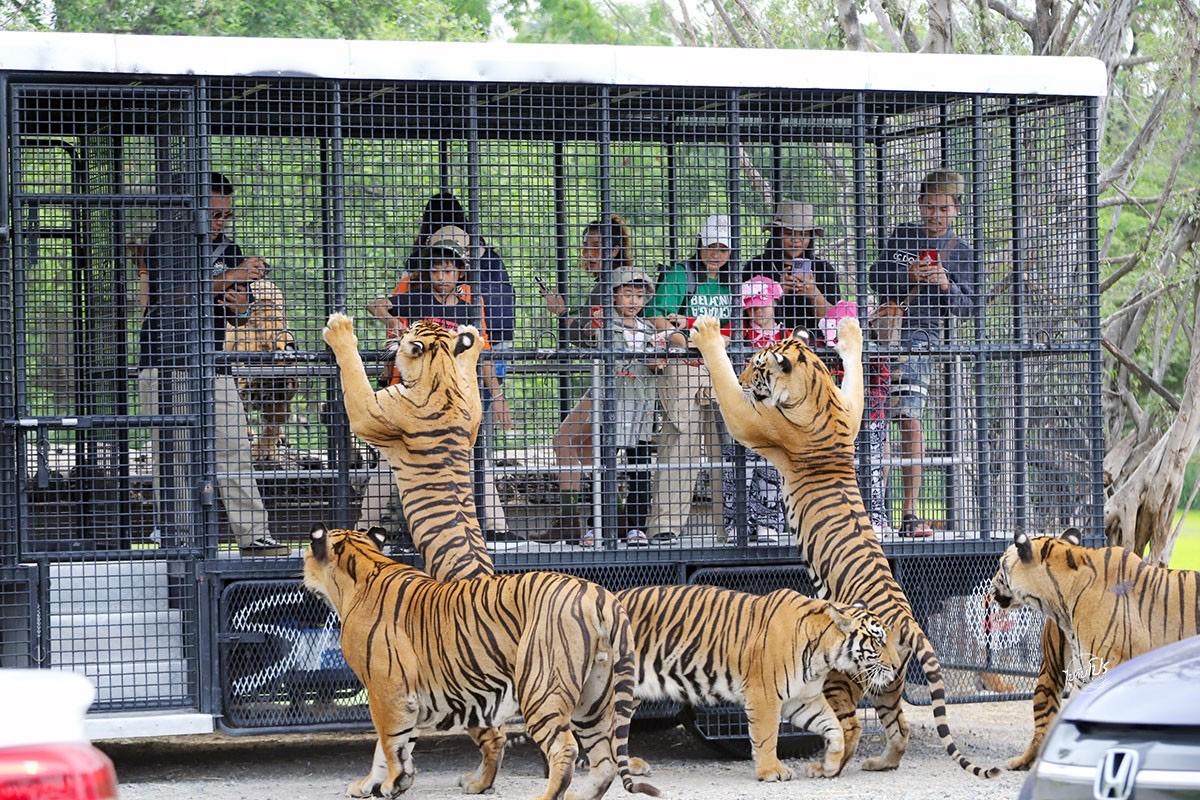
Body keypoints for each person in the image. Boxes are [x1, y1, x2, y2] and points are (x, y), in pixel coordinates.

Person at [137, 172, 287, 556]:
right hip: (165, 363)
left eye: (225, 215)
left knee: (235, 447)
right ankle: (179, 539)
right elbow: (169, 297)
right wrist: (229, 279)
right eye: (214, 213)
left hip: (214, 364)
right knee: (174, 455)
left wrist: (241, 302)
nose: (219, 222)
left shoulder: (231, 249)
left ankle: (254, 536)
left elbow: (238, 314)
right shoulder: (166, 241)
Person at [358, 230, 513, 532]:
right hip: (411, 397)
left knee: (470, 459)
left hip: (452, 401)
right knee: (392, 459)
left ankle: (496, 527)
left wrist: (498, 398)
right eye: (436, 268)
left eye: (448, 269)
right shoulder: (415, 298)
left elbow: (483, 356)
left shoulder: (470, 307)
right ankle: (366, 528)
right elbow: (376, 304)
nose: (442, 275)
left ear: (459, 272)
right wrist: (393, 322)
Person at [870, 168, 975, 538]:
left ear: (955, 210)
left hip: (921, 340)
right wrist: (909, 277)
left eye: (943, 209)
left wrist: (945, 282)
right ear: (920, 205)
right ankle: (875, 508)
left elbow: (970, 308)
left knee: (910, 420)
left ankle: (909, 512)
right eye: (929, 207)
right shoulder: (902, 234)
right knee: (875, 422)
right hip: (884, 338)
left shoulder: (962, 253)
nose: (935, 215)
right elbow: (876, 277)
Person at [552, 267, 662, 547]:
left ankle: (636, 527)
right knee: (602, 465)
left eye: (639, 295)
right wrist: (571, 318)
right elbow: (584, 337)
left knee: (640, 466)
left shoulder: (649, 329)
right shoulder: (603, 325)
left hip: (642, 403)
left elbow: (656, 364)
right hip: (610, 404)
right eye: (627, 294)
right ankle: (597, 525)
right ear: (614, 296)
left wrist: (657, 363)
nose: (634, 301)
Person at [642, 213, 735, 544]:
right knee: (680, 443)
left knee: (726, 447)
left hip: (720, 368)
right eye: (711, 247)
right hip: (685, 368)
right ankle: (664, 524)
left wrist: (690, 327)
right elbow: (657, 317)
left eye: (723, 248)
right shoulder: (682, 275)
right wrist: (686, 338)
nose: (716, 254)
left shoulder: (733, 281)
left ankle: (733, 525)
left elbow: (735, 329)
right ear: (700, 244)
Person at [721, 275, 787, 544]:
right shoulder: (736, 332)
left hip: (777, 411)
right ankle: (736, 523)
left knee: (771, 465)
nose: (759, 311)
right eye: (754, 307)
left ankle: (768, 522)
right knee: (737, 465)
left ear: (774, 302)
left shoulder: (788, 336)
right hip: (742, 409)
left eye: (764, 304)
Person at [742, 200, 840, 341]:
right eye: (789, 233)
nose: (797, 240)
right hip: (768, 345)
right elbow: (746, 316)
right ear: (777, 234)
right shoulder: (757, 266)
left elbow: (837, 322)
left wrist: (815, 295)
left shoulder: (824, 269)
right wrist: (776, 291)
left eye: (804, 235)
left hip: (815, 347)